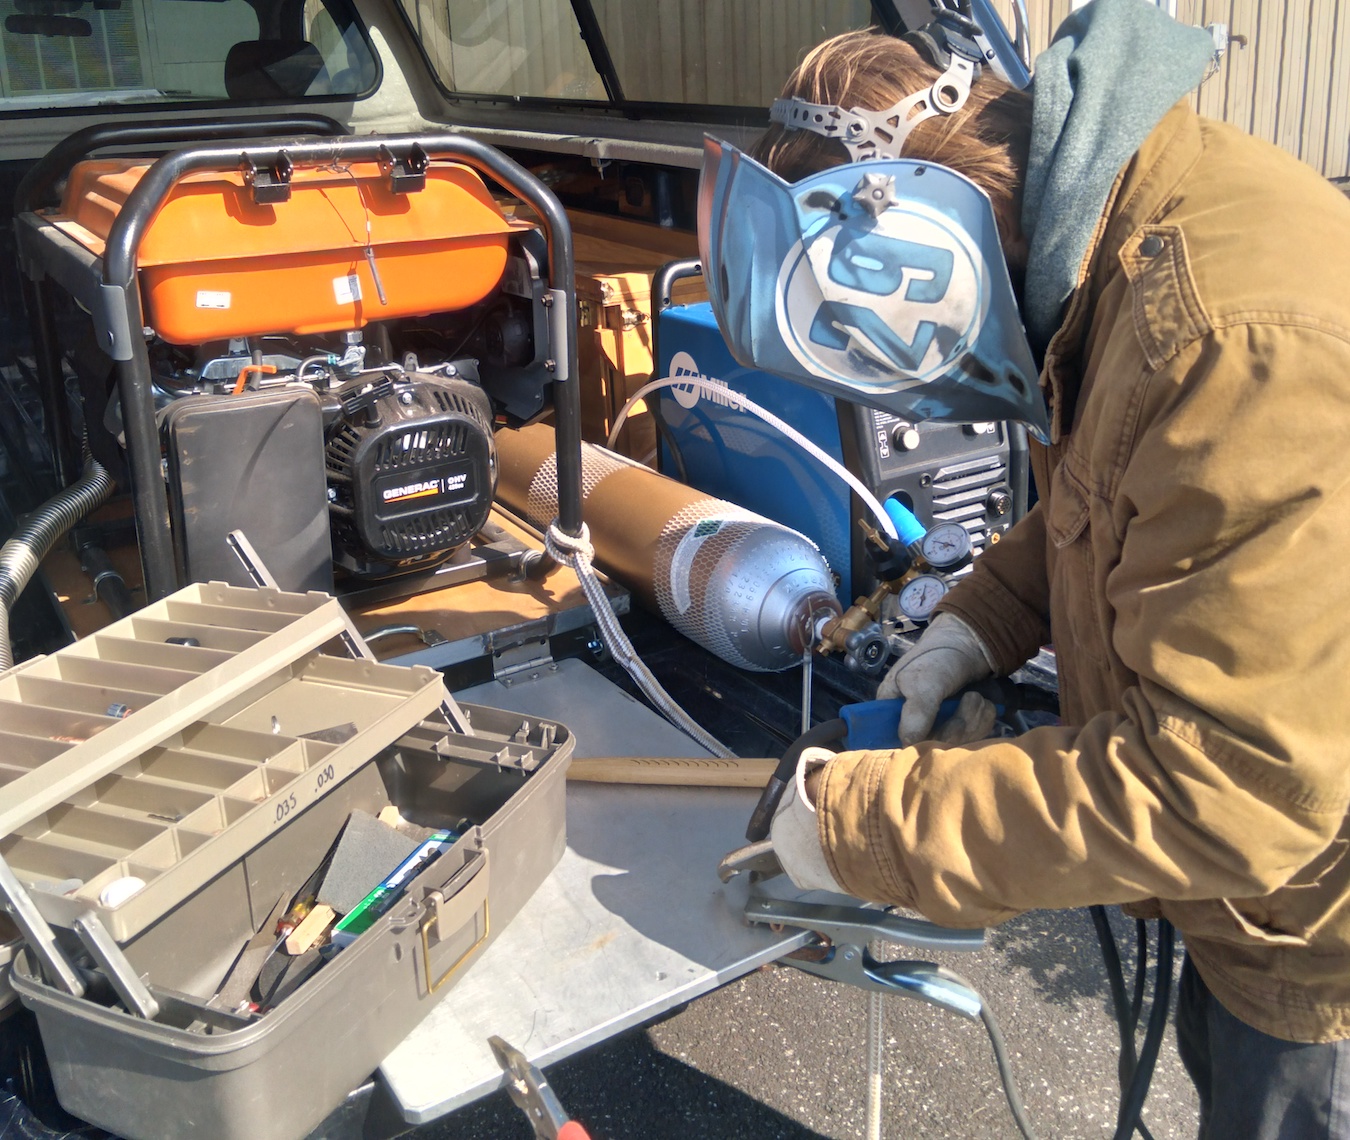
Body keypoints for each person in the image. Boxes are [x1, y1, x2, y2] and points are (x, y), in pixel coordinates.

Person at [708, 0, 1350, 1135]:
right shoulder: (1108, 244)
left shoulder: (1222, 339)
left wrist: (867, 832)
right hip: (1248, 905)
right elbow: (1104, 507)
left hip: (1317, 939)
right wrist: (975, 624)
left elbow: (1233, 794)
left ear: (934, 253)